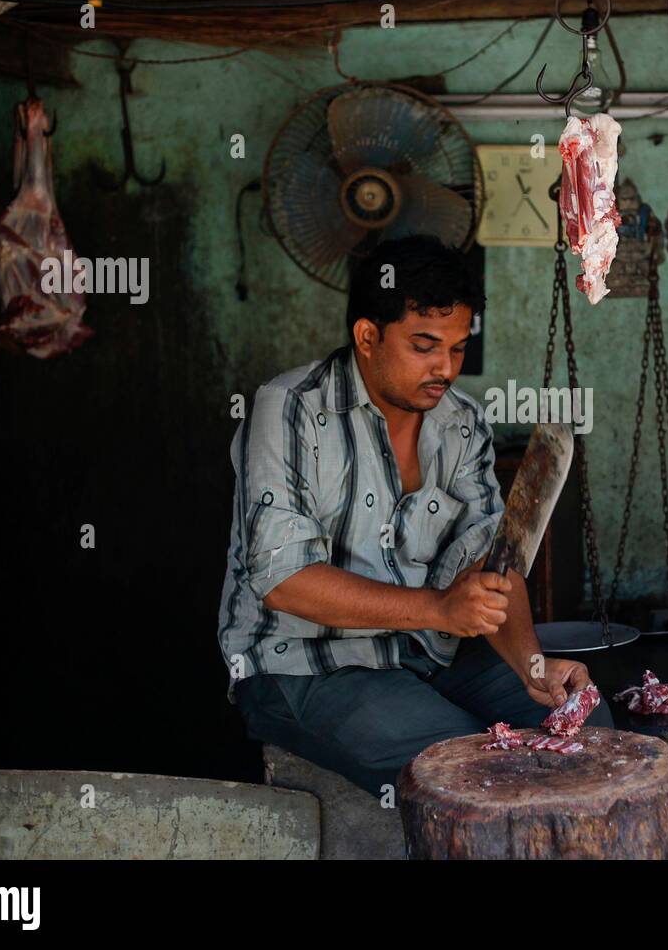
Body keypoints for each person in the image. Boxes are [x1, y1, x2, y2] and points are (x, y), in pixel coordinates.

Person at [217, 235, 611, 798]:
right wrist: (437, 608)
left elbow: (490, 566)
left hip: (426, 653)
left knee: (588, 733)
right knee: (476, 770)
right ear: (368, 337)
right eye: (425, 346)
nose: (445, 368)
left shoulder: (462, 423)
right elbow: (283, 580)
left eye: (456, 348)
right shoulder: (287, 411)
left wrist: (532, 667)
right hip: (304, 665)